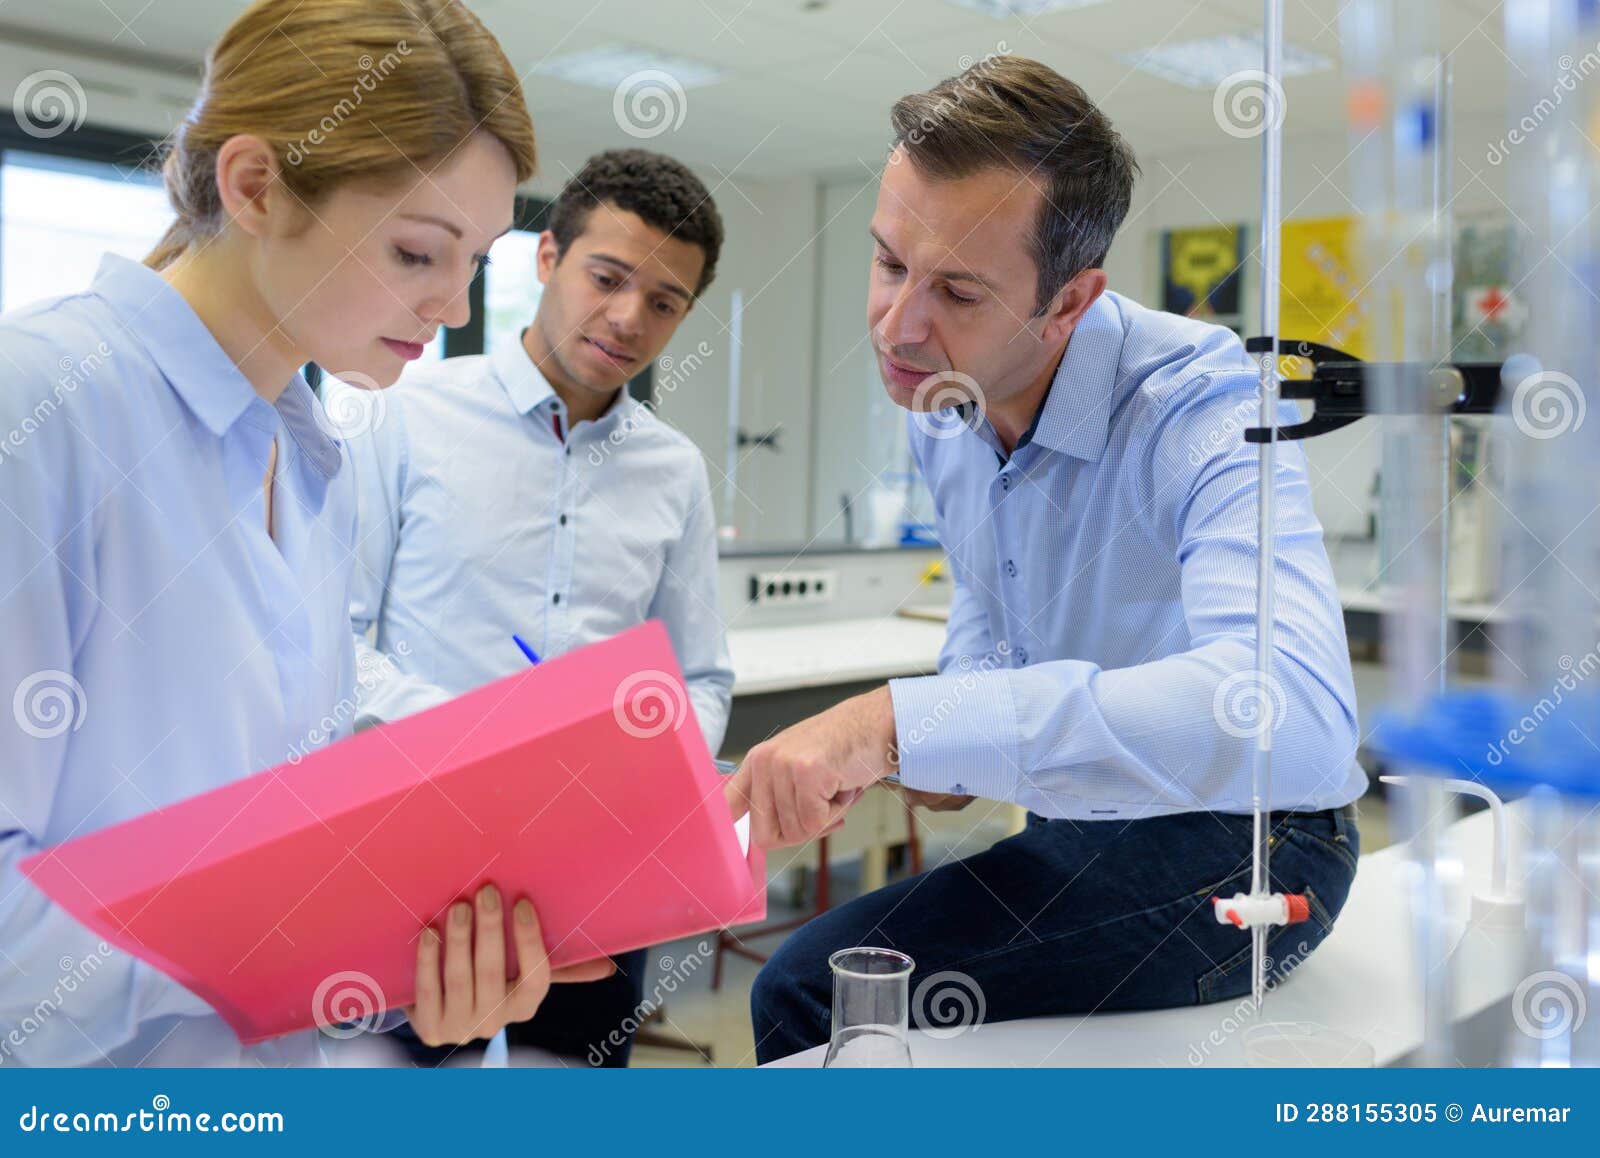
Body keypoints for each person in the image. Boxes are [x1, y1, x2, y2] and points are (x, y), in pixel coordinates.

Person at [0, 0, 612, 1068]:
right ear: (253, 186)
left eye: (475, 260)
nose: (452, 305)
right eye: (418, 252)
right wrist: (329, 943)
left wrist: (443, 887)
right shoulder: (45, 408)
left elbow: (287, 772)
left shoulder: (304, 444)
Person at [729, 57, 1367, 1063]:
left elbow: (1296, 719)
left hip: (1260, 843)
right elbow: (990, 611)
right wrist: (945, 741)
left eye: (956, 291)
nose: (897, 328)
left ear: (1069, 302)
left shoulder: (1204, 407)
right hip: (1090, 824)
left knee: (810, 988)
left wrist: (895, 723)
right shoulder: (942, 400)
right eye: (888, 263)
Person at [333, 148, 732, 1066]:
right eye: (607, 277)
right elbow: (336, 640)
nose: (629, 318)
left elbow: (701, 673)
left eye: (665, 302)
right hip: (419, 848)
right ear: (547, 256)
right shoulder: (404, 415)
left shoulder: (672, 469)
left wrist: (654, 763)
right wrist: (482, 743)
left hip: (599, 865)